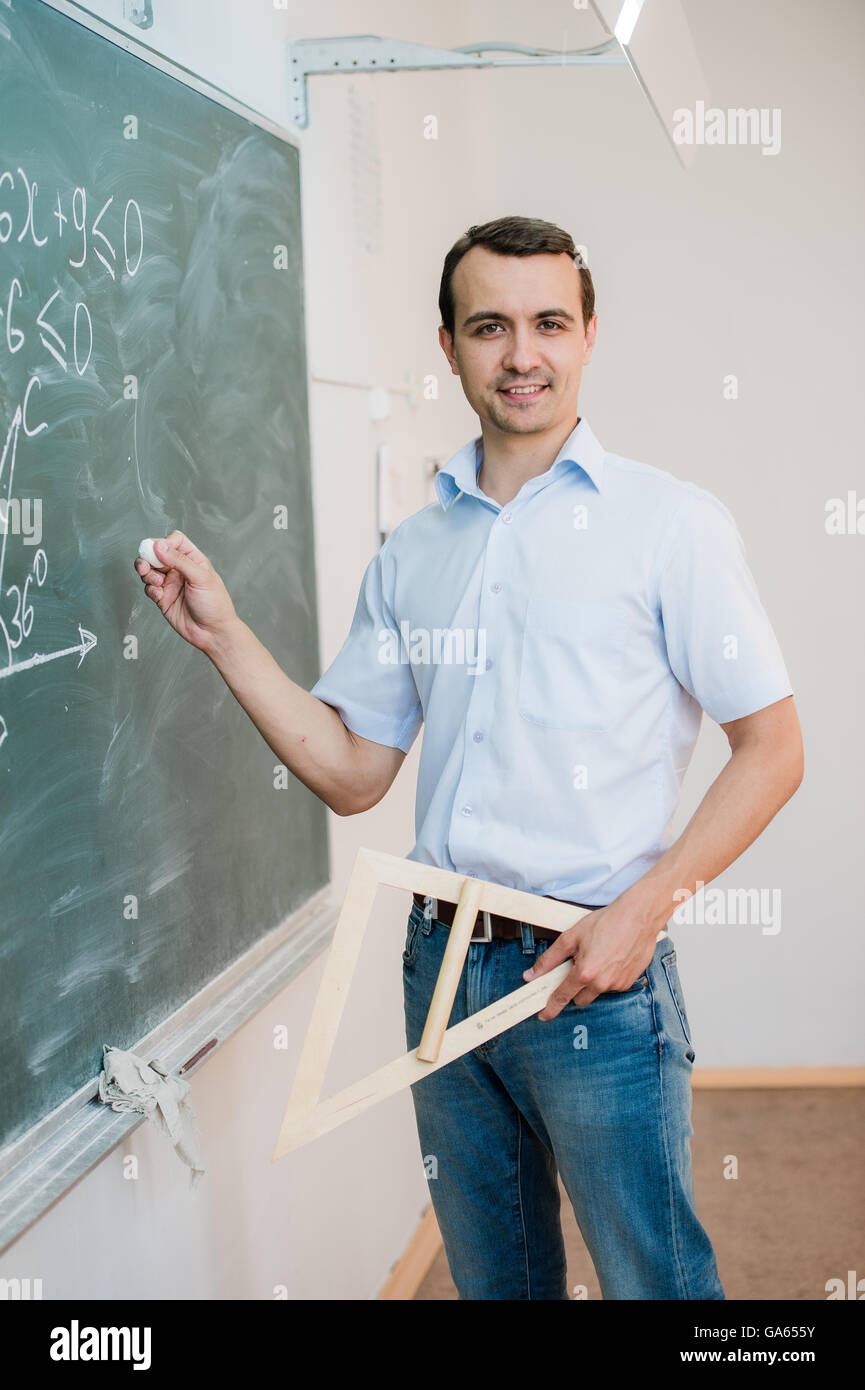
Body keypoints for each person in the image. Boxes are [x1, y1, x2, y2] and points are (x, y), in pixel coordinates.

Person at [133, 215, 803, 1301]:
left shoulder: (669, 525)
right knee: (499, 1285)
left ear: (589, 336)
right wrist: (222, 634)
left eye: (548, 322)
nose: (521, 353)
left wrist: (641, 913)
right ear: (447, 345)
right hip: (437, 971)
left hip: (594, 978)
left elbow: (773, 748)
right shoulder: (416, 550)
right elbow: (355, 771)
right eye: (489, 326)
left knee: (657, 1288)